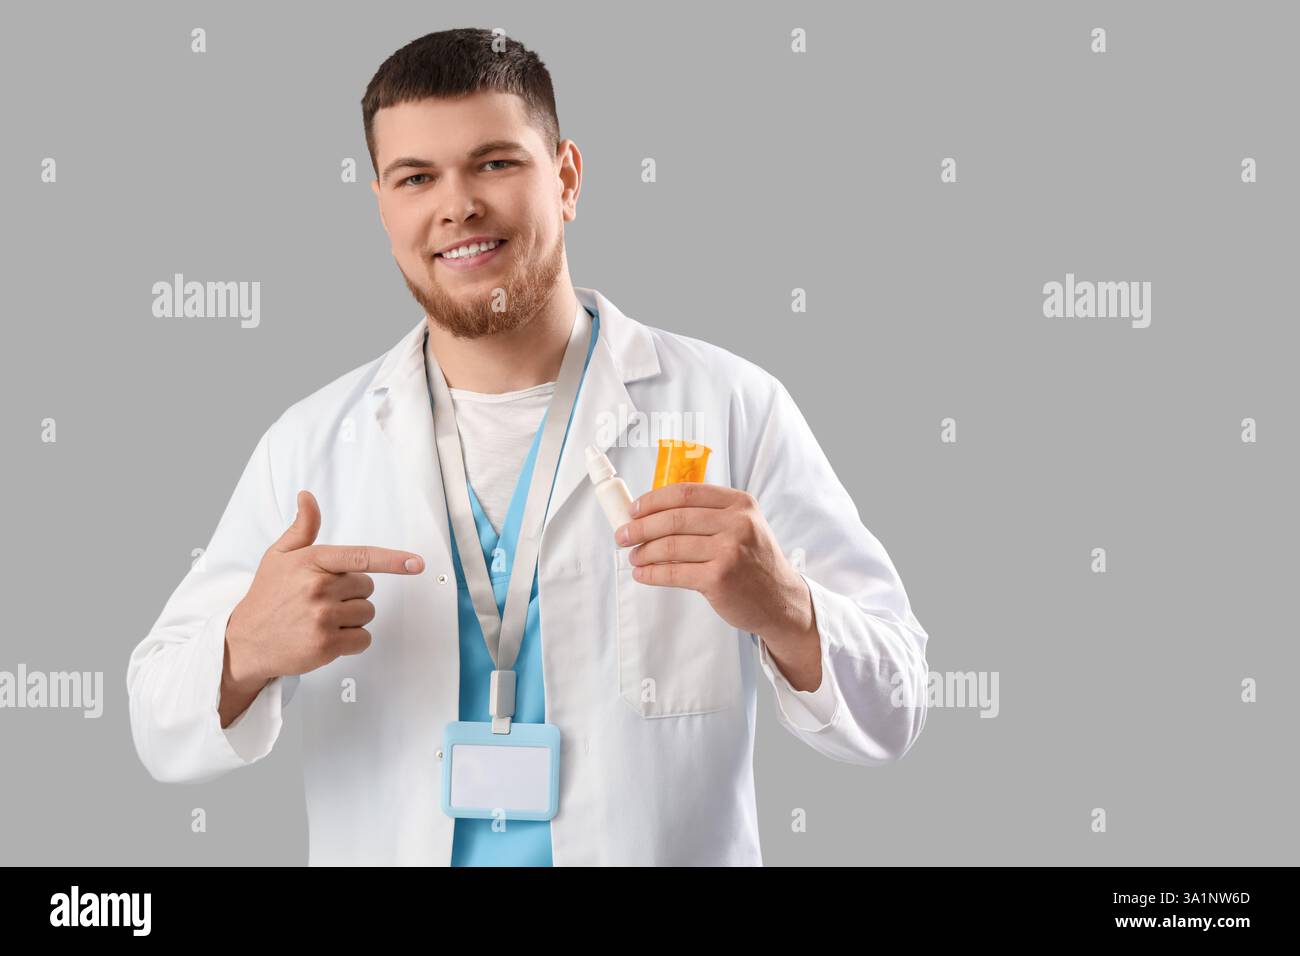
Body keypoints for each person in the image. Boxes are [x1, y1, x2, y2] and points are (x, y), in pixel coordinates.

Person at [126, 27, 930, 866]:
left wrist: (787, 607)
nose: (458, 205)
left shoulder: (730, 407)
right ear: (383, 206)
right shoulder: (311, 445)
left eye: (495, 163)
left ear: (568, 178)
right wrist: (243, 650)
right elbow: (155, 722)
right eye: (416, 178)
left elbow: (897, 709)